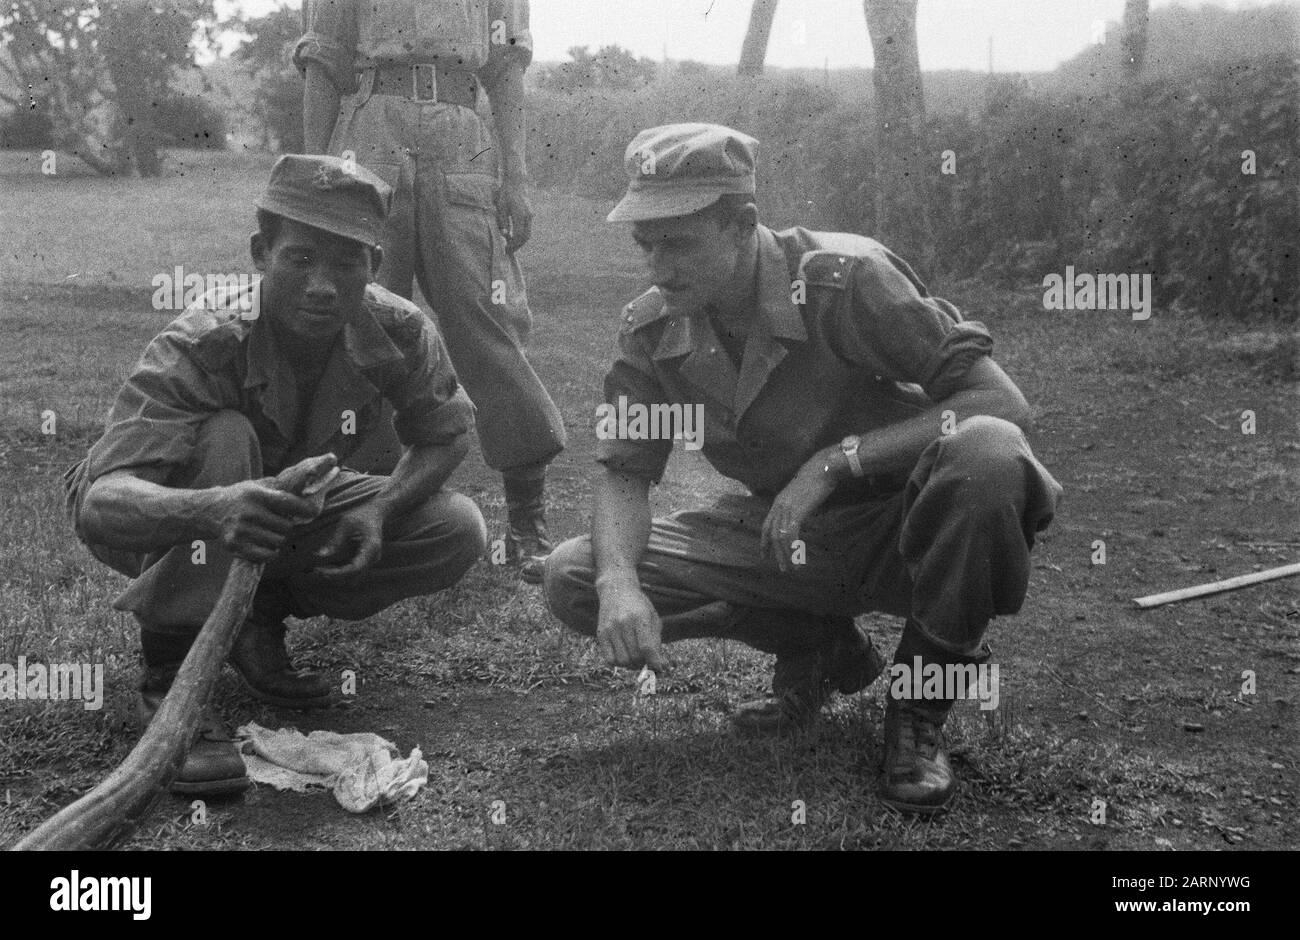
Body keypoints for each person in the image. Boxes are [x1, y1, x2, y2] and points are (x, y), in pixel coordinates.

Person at [543, 124, 1063, 815]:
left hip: (908, 525)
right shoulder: (654, 327)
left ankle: (917, 710)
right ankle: (819, 648)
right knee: (574, 574)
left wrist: (837, 461)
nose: (657, 268)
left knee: (990, 454)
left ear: (743, 224)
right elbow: (624, 472)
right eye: (645, 243)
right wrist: (617, 583)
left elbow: (1000, 401)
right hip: (787, 537)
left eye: (678, 242)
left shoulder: (845, 280)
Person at [63, 154, 487, 796]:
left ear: (373, 266)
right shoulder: (206, 338)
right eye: (300, 259)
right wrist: (216, 507)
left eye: (346, 262)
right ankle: (166, 678)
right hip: (159, 509)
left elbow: (446, 434)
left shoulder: (398, 327)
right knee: (227, 438)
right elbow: (103, 502)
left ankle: (256, 616)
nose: (323, 285)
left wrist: (379, 511)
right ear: (261, 253)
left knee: (455, 527)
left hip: (284, 504)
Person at [295, 0, 565, 583]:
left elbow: (507, 67)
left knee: (486, 318)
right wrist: (312, 176)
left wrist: (515, 176)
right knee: (361, 319)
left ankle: (527, 521)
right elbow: (324, 57)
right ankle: (369, 505)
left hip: (462, 132)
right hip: (369, 132)